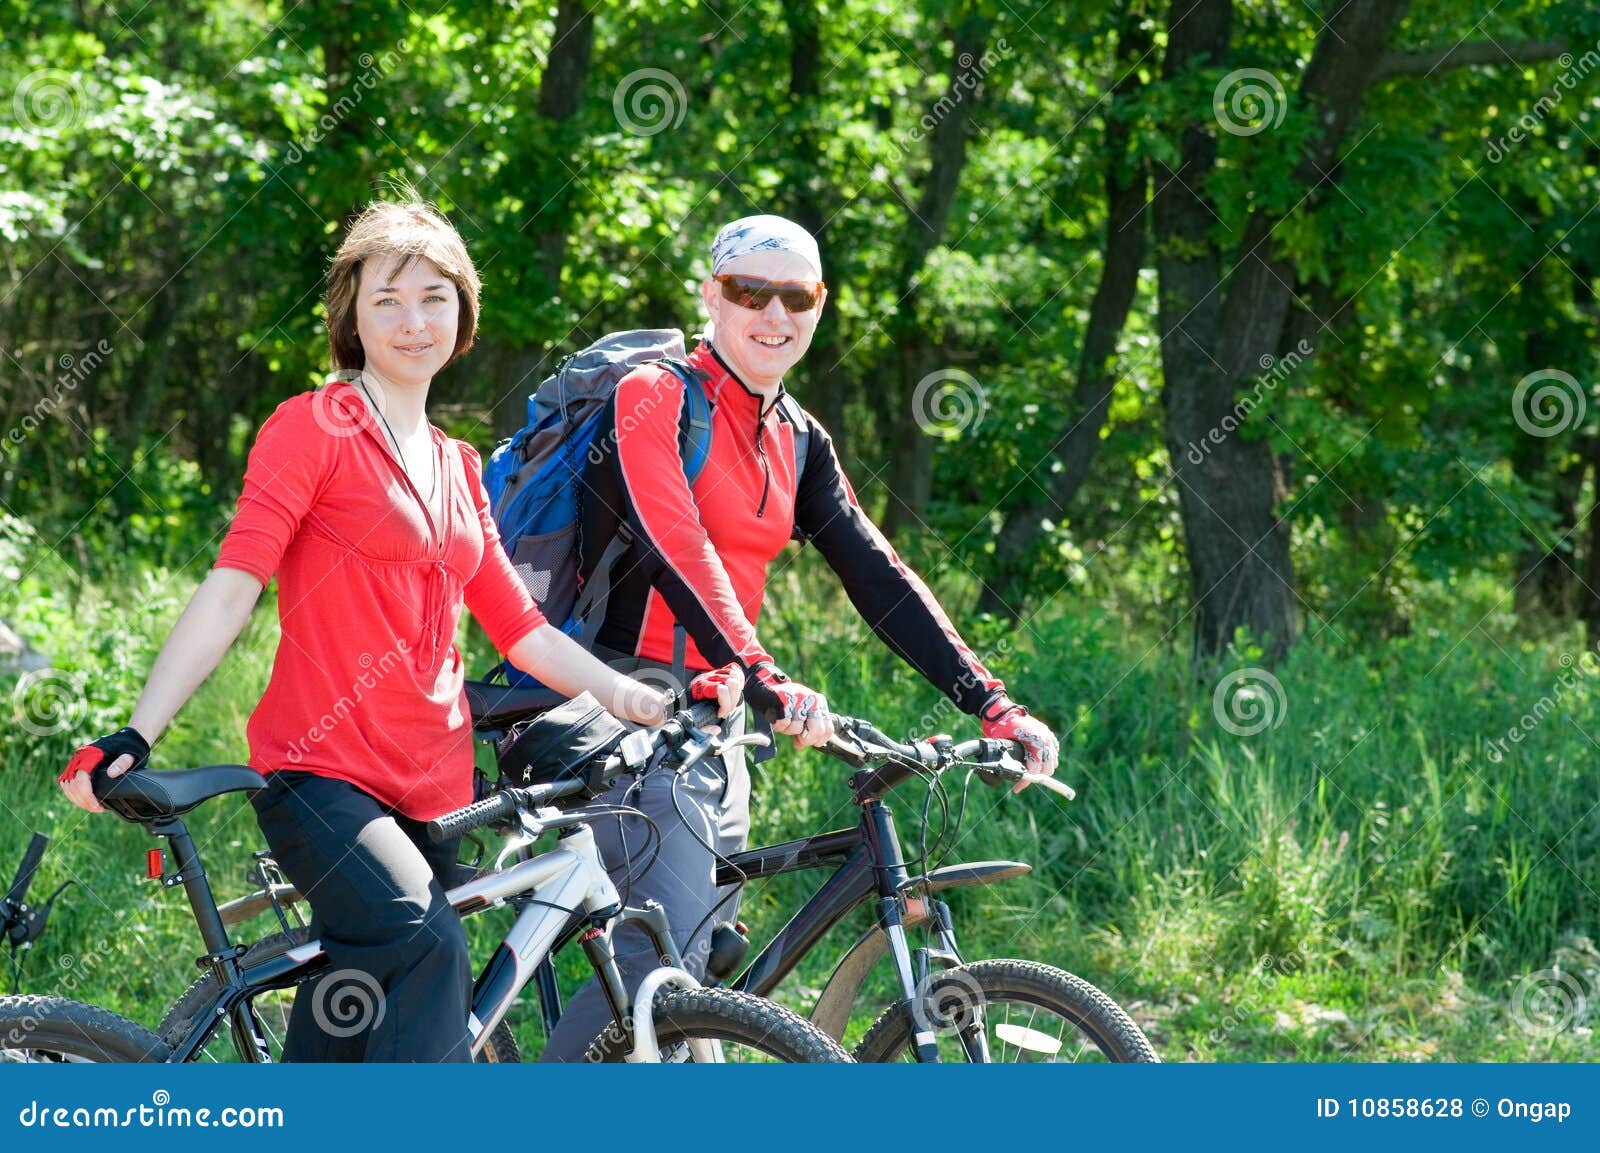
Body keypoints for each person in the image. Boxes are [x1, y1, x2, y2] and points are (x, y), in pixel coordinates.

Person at [56, 197, 741, 1062]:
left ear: (463, 313)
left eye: (434, 297)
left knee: (367, 1018)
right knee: (425, 947)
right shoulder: (313, 426)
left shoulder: (457, 465)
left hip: (435, 788)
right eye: (387, 299)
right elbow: (234, 584)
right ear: (350, 313)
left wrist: (628, 694)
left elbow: (522, 629)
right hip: (321, 776)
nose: (413, 321)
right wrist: (136, 731)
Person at [539, 213, 1060, 1059]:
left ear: (819, 307)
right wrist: (767, 672)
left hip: (717, 715)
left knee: (699, 962)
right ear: (713, 295)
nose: (774, 313)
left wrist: (992, 702)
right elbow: (677, 545)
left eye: (798, 295)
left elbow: (876, 573)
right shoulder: (657, 397)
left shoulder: (796, 434)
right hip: (621, 701)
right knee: (650, 975)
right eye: (751, 291)